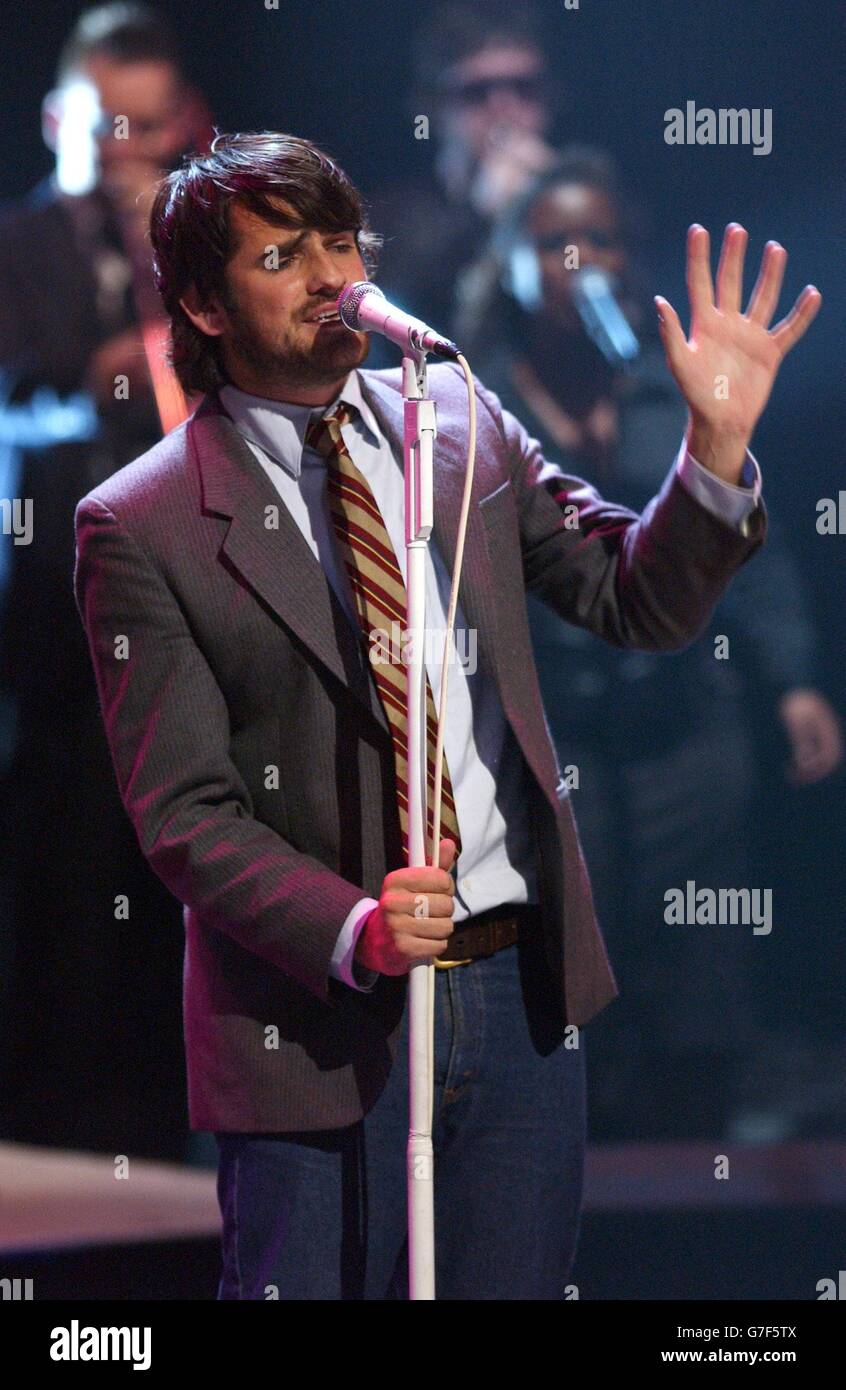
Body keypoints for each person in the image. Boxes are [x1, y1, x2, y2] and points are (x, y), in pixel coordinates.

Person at [73, 131, 819, 1299]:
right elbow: (185, 813)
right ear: (206, 308)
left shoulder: (460, 424)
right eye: (282, 256)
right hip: (315, 1024)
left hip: (517, 996)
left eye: (339, 242)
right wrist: (353, 924)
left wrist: (714, 452)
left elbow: (634, 597)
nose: (333, 277)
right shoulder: (143, 520)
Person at [454, 148, 843, 1138]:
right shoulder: (471, 401)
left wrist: (794, 681)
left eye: (606, 239)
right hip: (555, 728)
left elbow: (759, 550)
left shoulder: (674, 385)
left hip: (682, 721)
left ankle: (692, 1171)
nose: (585, 261)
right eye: (554, 243)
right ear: (512, 262)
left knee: (701, 954)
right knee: (581, 960)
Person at [0, 2, 212, 1159]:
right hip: (54, 591)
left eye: (148, 129)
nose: (127, 149)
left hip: (187, 583)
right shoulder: (19, 242)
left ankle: (166, 1108)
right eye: (106, 126)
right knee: (69, 845)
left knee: (180, 837)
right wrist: (107, 365)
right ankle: (56, 1113)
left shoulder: (198, 243)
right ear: (57, 119)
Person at [368, 0, 561, 365]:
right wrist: (481, 212)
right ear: (431, 105)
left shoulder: (590, 201)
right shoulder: (391, 218)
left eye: (524, 88)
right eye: (477, 92)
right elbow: (397, 328)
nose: (504, 107)